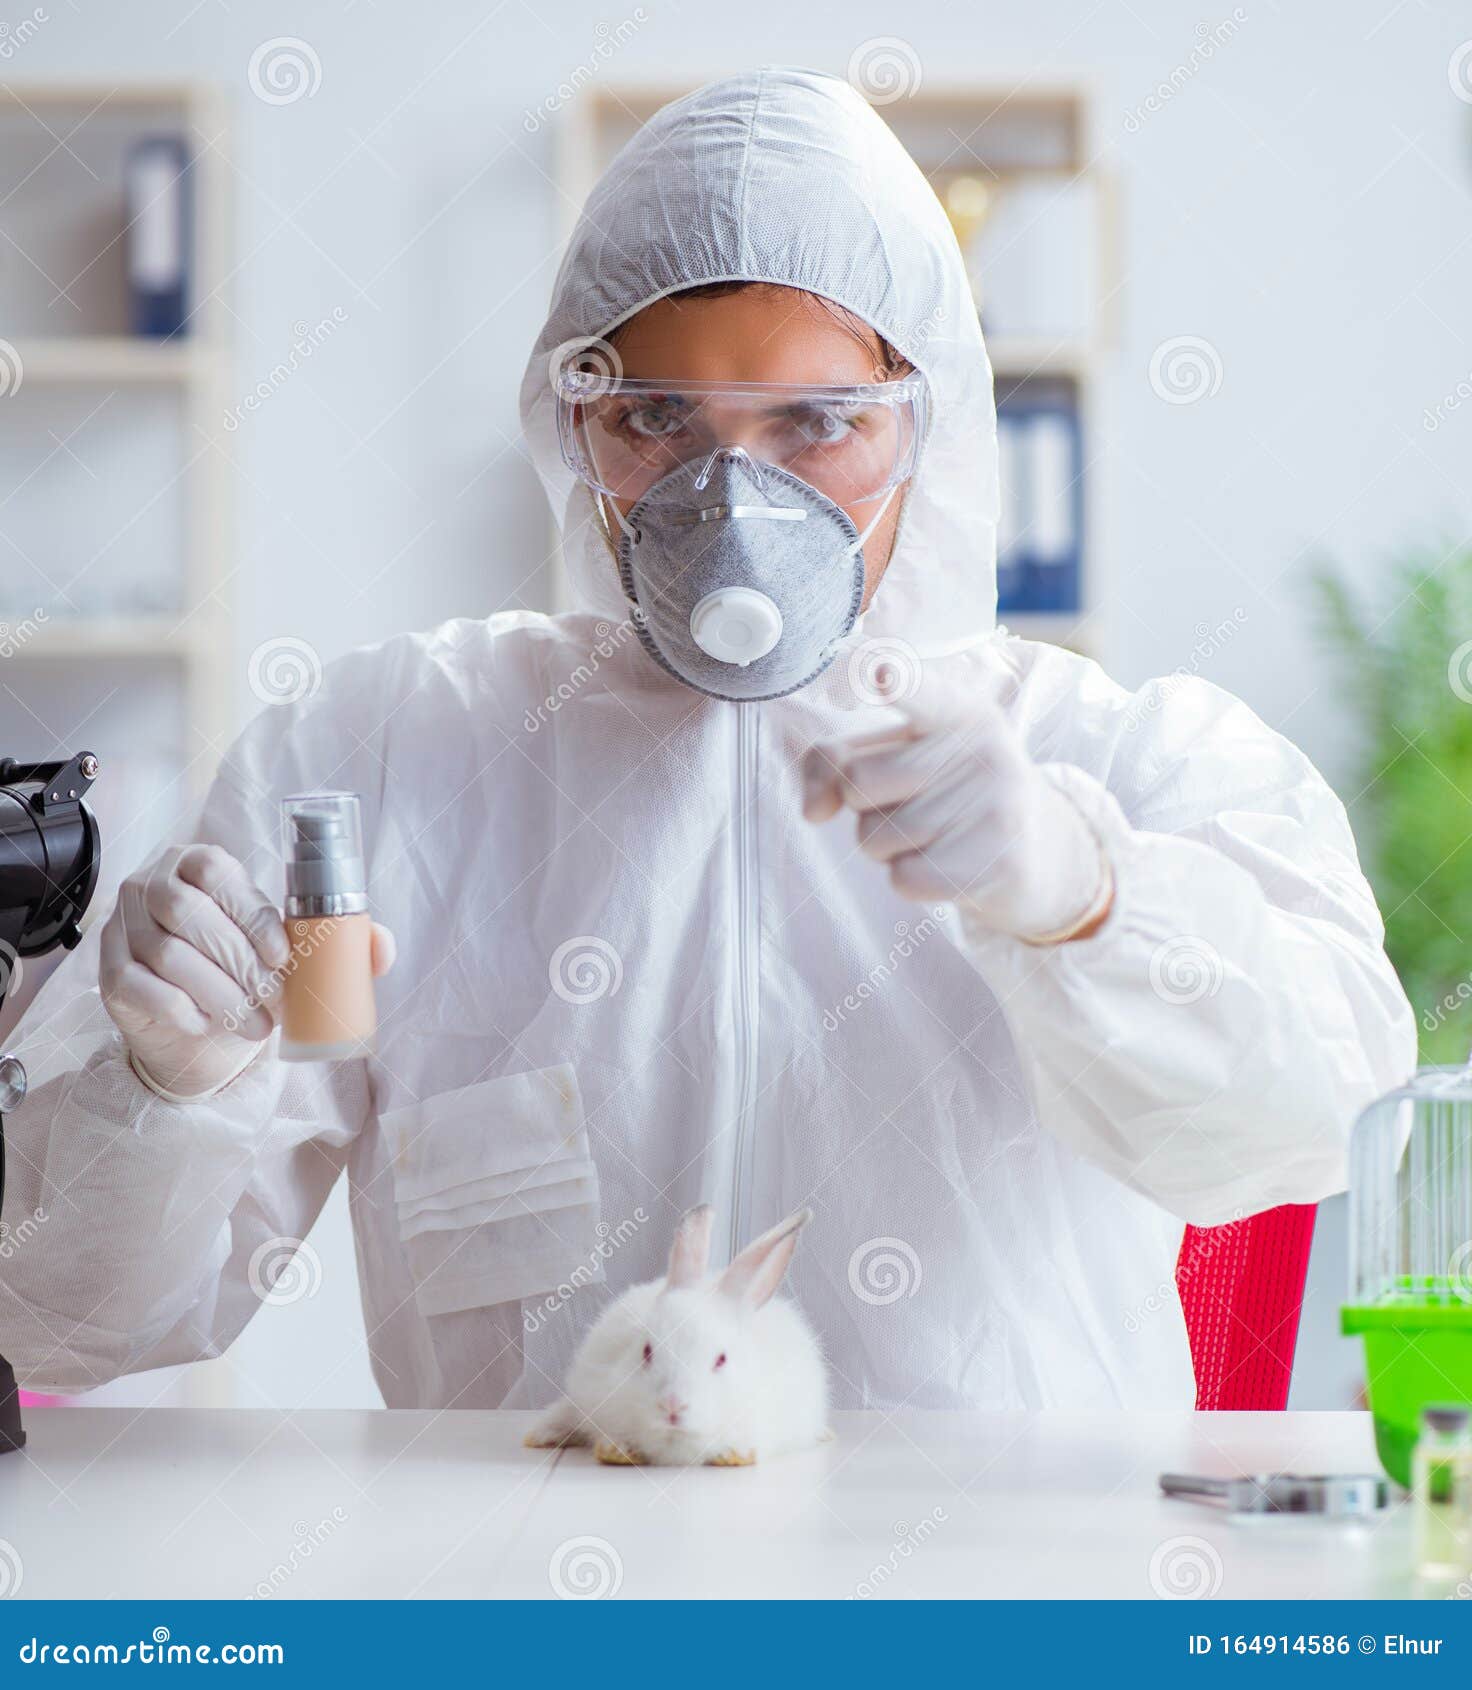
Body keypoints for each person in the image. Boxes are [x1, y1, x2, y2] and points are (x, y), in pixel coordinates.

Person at [0, 69, 1413, 1413]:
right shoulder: (381, 757)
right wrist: (166, 1091)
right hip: (537, 1605)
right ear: (575, 423)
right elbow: (67, 1316)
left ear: (928, 425)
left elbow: (1318, 1132)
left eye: (817, 423)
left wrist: (1081, 891)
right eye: (658, 418)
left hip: (1001, 1593)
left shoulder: (1119, 758)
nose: (733, 498)